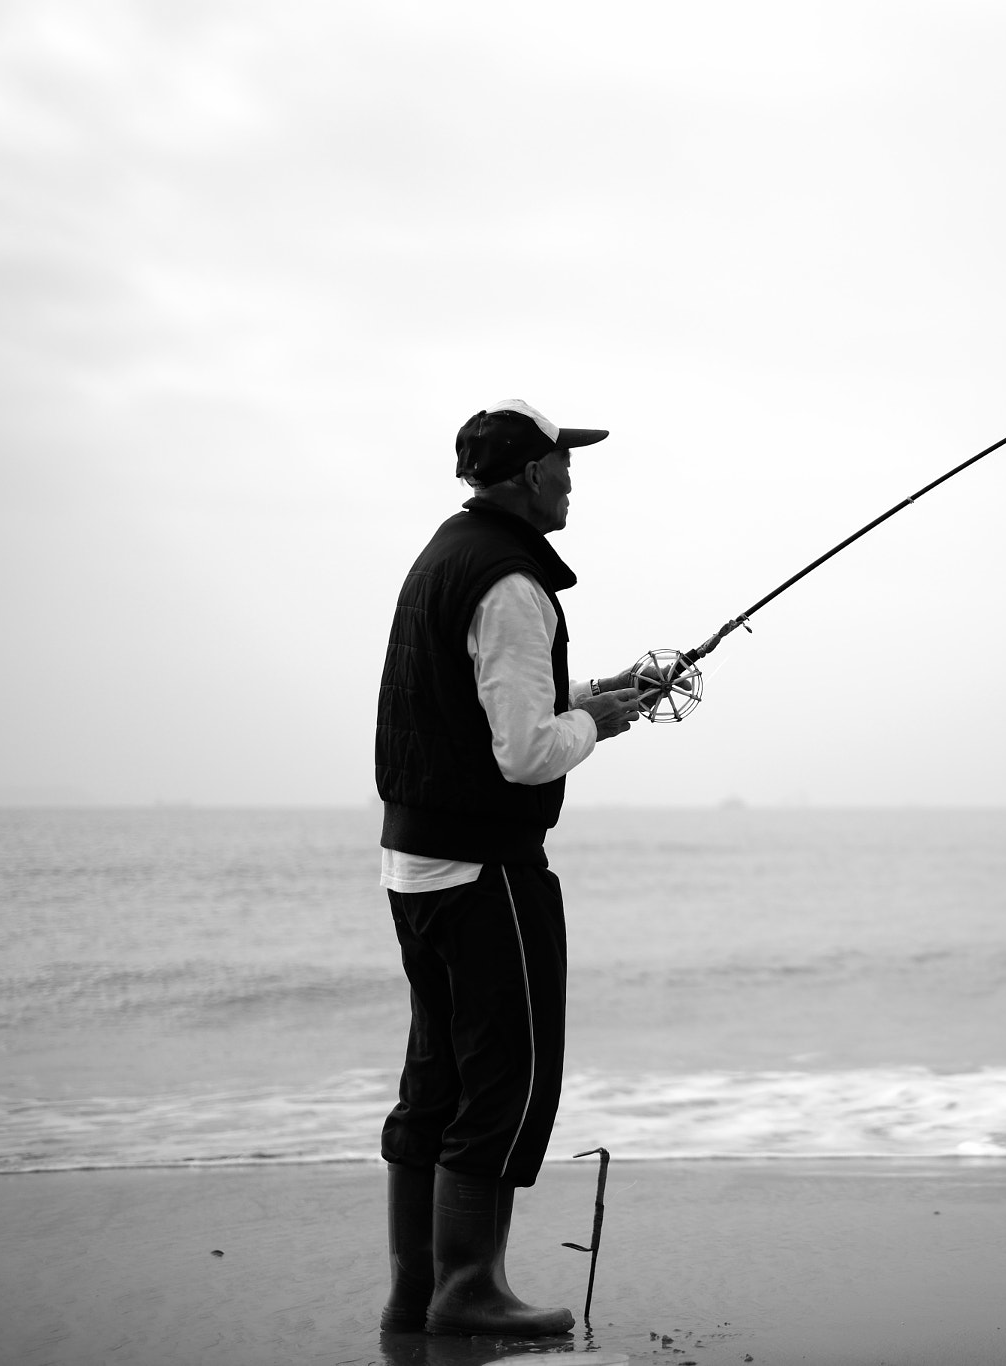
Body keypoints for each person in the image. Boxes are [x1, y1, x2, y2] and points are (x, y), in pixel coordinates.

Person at [373, 398, 655, 1337]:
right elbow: (525, 754)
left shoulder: (446, 556)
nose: (573, 478)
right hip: (486, 867)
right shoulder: (512, 584)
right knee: (505, 1081)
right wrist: (599, 725)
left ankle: (418, 1291)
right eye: (563, 464)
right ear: (529, 474)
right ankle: (468, 1290)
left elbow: (482, 706)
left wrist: (590, 694)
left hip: (415, 862)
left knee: (437, 1083)